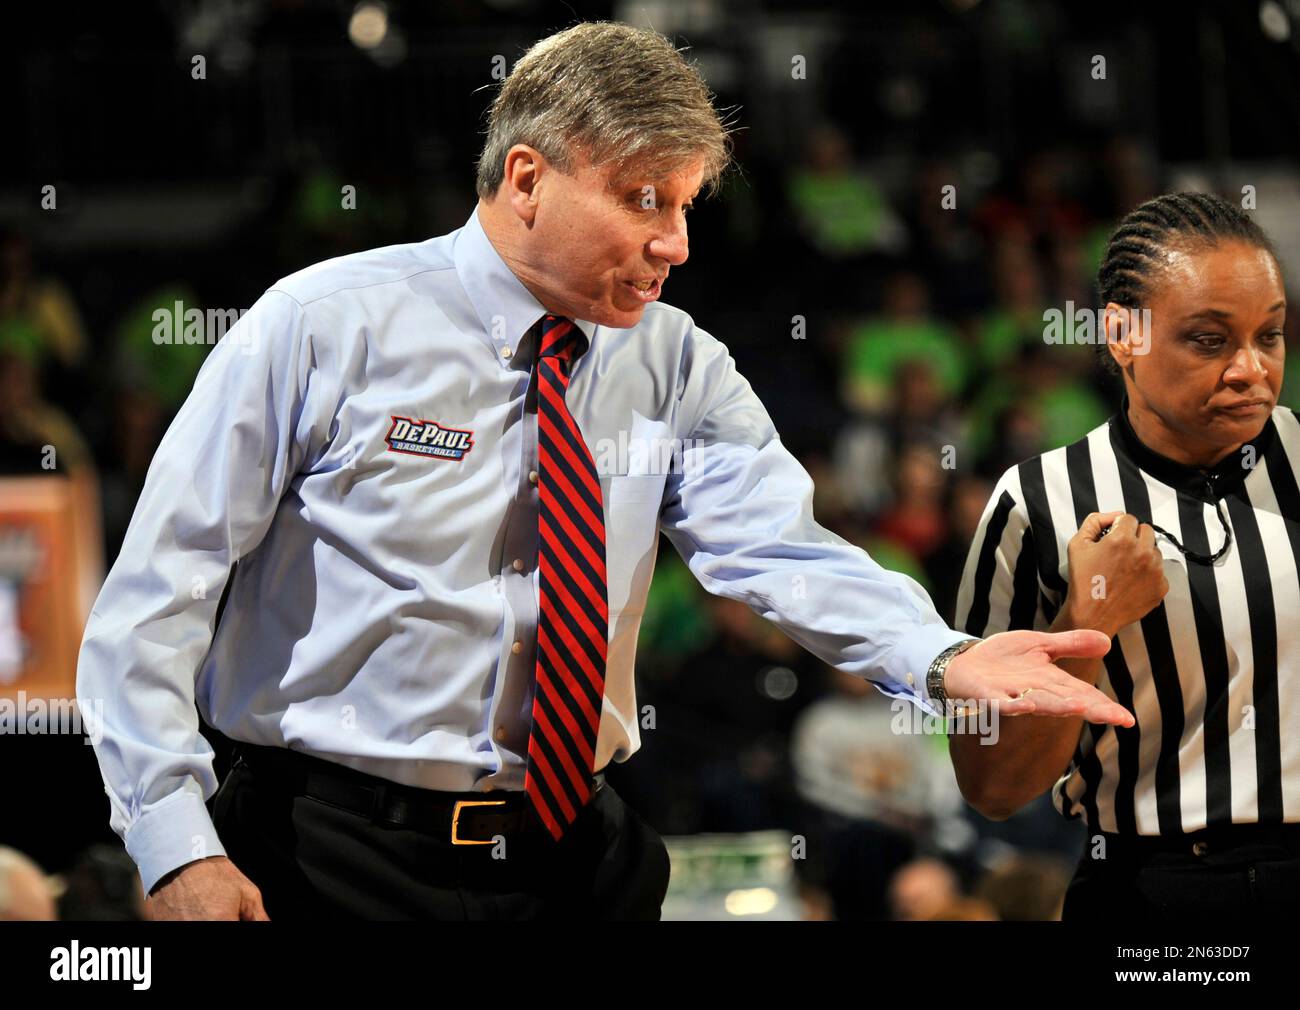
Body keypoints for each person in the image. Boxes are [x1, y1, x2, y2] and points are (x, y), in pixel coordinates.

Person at [76, 21, 1125, 922]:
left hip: (575, 852)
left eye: (685, 206)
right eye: (642, 200)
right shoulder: (321, 324)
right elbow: (157, 595)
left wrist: (939, 656)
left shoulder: (672, 358)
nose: (674, 242)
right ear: (527, 177)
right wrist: (174, 838)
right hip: (327, 849)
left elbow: (778, 547)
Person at [951, 191, 1300, 921]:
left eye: (1269, 336)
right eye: (1209, 340)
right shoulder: (1038, 500)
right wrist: (1089, 619)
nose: (1251, 369)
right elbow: (992, 784)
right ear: (1121, 334)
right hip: (1159, 888)